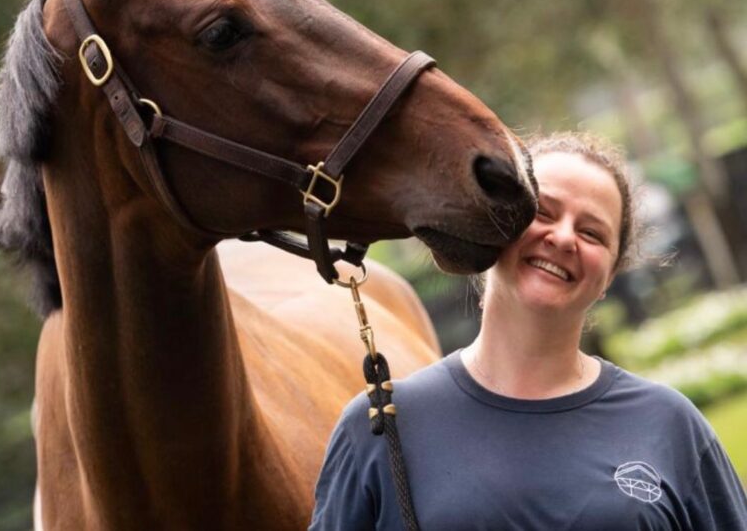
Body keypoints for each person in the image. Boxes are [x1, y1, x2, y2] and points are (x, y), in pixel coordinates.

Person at [309, 132, 747, 530]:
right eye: (543, 212)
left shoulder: (669, 424)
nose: (563, 237)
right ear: (494, 225)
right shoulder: (382, 429)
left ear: (610, 276)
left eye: (592, 233)